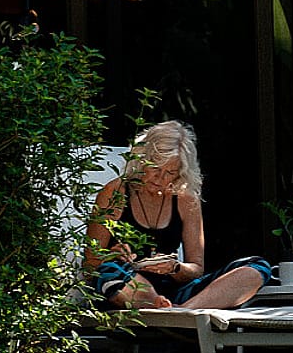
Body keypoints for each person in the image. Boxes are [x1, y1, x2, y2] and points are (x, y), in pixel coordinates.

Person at [83, 120, 270, 309]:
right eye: (155, 168)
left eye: (170, 172)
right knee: (109, 272)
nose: (160, 178)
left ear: (180, 173)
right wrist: (110, 256)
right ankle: (158, 306)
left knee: (257, 267)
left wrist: (175, 267)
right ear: (141, 160)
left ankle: (181, 312)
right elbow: (90, 267)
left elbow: (196, 269)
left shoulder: (185, 198)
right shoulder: (116, 193)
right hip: (127, 289)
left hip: (174, 294)